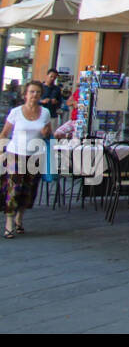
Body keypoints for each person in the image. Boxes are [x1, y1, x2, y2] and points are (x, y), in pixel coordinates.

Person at [1, 81, 53, 238]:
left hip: (35, 156)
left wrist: (46, 133)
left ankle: (19, 218)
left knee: (28, 190)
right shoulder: (16, 112)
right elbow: (4, 133)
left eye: (37, 92)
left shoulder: (45, 113)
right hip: (15, 155)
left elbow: (49, 134)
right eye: (32, 92)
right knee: (13, 189)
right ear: (25, 94)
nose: (35, 95)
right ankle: (9, 224)